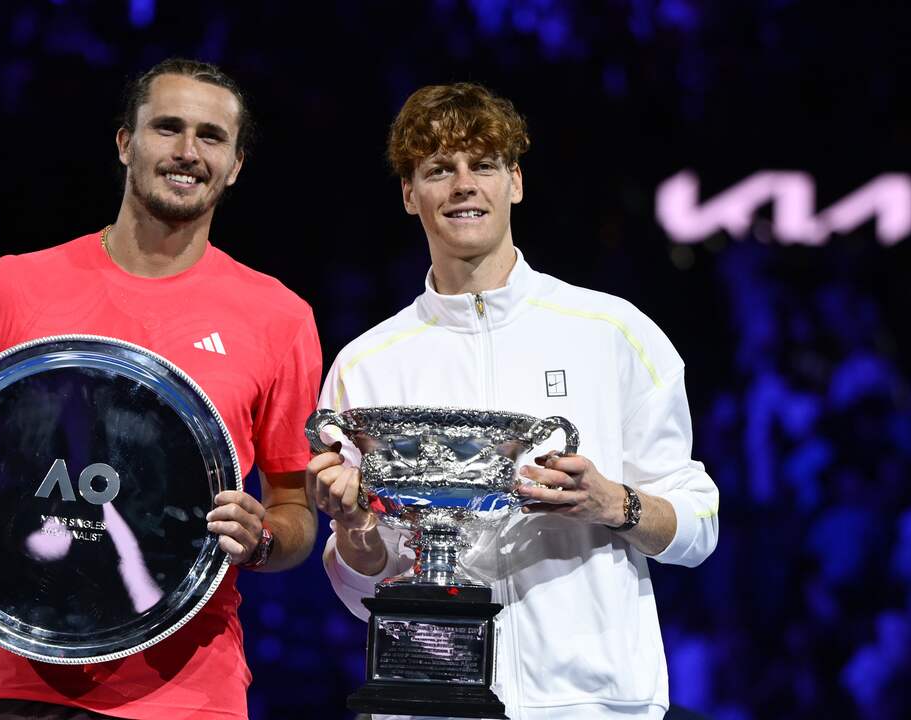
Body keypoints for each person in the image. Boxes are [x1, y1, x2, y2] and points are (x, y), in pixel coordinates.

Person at [0, 58, 322, 720]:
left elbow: (295, 510)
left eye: (211, 137)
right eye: (167, 128)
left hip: (192, 692)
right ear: (125, 142)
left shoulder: (280, 318)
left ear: (234, 165)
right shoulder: (8, 289)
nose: (186, 152)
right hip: (29, 681)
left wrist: (262, 538)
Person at [307, 83, 720, 719]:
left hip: (593, 704)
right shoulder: (368, 364)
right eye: (439, 169)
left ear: (515, 183)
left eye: (484, 165)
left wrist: (615, 503)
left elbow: (698, 527)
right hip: (431, 704)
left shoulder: (614, 333)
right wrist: (356, 535)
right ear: (409, 194)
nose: (464, 185)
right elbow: (364, 588)